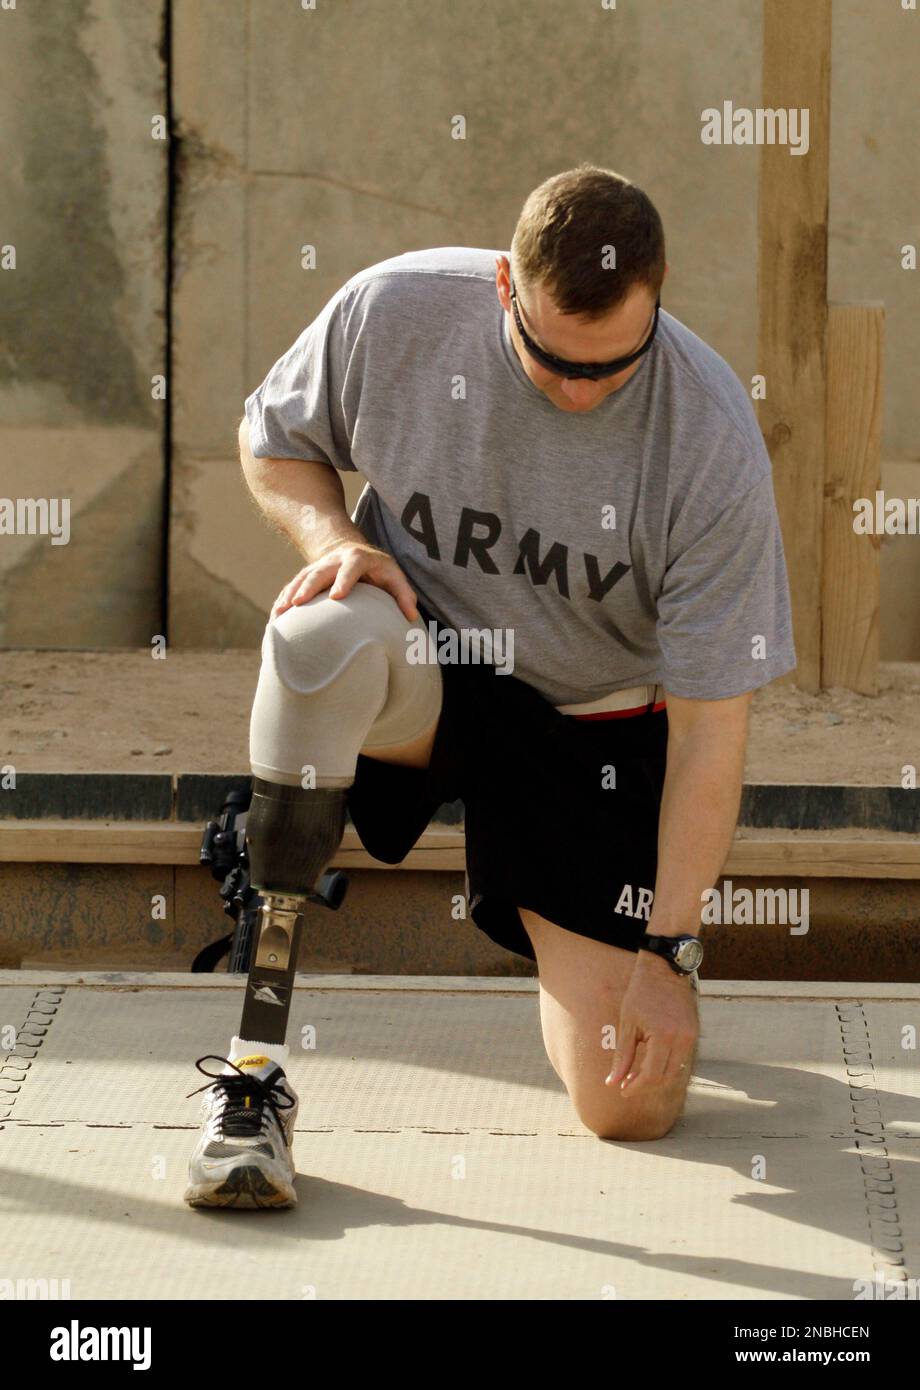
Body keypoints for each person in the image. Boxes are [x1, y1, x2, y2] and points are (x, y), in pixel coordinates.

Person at [184, 163, 796, 1209]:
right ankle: (249, 1077)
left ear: (656, 301)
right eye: (552, 359)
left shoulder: (705, 434)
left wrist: (668, 945)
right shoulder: (398, 306)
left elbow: (707, 737)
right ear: (503, 288)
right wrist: (334, 538)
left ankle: (615, 971)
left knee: (626, 1108)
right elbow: (270, 439)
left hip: (590, 730)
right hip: (426, 662)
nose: (579, 391)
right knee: (318, 632)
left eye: (613, 366)